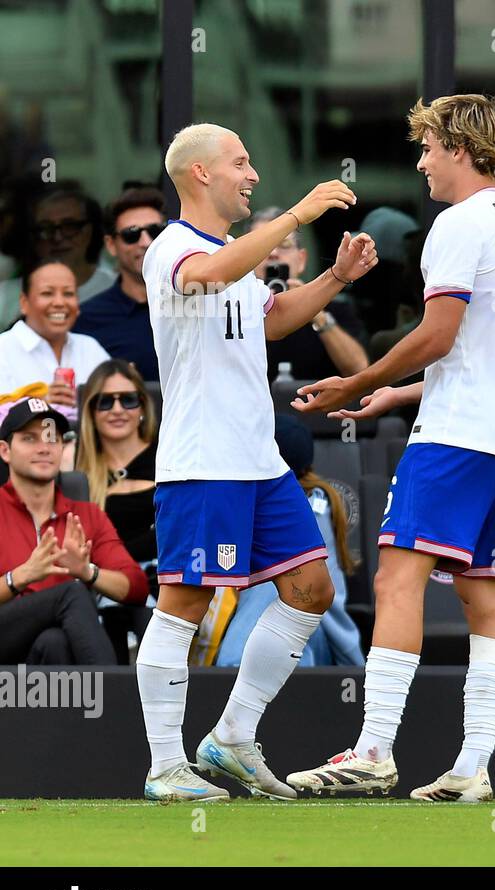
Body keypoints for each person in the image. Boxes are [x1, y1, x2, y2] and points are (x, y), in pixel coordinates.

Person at [288, 94, 495, 803]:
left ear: (460, 151)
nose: (422, 162)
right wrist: (403, 395)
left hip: (459, 436)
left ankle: (373, 749)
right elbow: (490, 349)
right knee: (485, 599)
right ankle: (472, 768)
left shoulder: (459, 224)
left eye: (430, 148)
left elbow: (438, 335)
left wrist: (359, 382)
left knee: (396, 580)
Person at [134, 122, 376, 803]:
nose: (253, 175)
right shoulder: (176, 248)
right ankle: (163, 766)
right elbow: (208, 275)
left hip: (259, 462)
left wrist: (333, 277)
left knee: (311, 588)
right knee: (185, 600)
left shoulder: (232, 255)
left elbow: (270, 319)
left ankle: (232, 737)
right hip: (204, 460)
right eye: (241, 162)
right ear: (201, 173)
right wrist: (297, 216)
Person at [0, 398, 147, 664]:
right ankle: (114, 699)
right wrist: (20, 576)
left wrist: (87, 572)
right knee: (71, 593)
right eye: (30, 439)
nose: (44, 448)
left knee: (54, 640)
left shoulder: (86, 514)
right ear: (5, 451)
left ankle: (80, 704)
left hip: (45, 653)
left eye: (52, 438)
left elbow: (136, 586)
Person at [216, 415, 364, 667]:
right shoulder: (230, 502)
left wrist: (355, 668)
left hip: (303, 647)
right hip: (229, 639)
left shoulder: (308, 510)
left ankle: (246, 676)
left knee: (278, 585)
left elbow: (326, 603)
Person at [75, 359, 161, 661]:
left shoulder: (169, 456)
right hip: (99, 581)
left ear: (142, 406)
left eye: (127, 399)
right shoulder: (77, 467)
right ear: (90, 411)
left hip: (162, 580)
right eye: (104, 402)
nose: (117, 410)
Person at [247, 206, 369, 383]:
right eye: (264, 245)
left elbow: (358, 369)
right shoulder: (236, 310)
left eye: (284, 245)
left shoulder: (335, 308)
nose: (273, 254)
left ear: (302, 259)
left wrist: (315, 313)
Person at [75, 185, 168, 381]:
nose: (145, 242)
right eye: (131, 234)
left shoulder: (199, 304)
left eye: (155, 231)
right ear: (111, 245)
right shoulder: (86, 320)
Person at [0, 185, 115, 332]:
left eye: (70, 226)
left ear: (90, 231)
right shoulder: (6, 296)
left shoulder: (115, 287)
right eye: (45, 229)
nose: (57, 237)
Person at [0, 260, 109, 411]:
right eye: (47, 293)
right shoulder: (3, 350)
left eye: (68, 293)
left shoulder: (90, 348)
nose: (59, 302)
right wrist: (38, 405)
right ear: (24, 303)